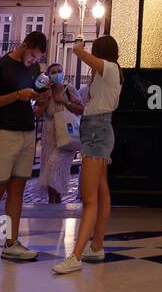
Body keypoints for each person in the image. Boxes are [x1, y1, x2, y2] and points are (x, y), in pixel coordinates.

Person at [0, 31, 49, 267]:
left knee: (17, 190)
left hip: (27, 132)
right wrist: (17, 95)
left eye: (38, 60)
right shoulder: (0, 67)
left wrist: (41, 100)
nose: (34, 62)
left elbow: (35, 99)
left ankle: (10, 242)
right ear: (25, 46)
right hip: (5, 133)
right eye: (33, 57)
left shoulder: (34, 70)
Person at [53, 35, 123, 273]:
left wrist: (79, 47)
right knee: (101, 190)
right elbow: (89, 108)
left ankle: (75, 256)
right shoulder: (108, 75)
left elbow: (80, 53)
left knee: (89, 197)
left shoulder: (110, 68)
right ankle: (96, 245)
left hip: (97, 133)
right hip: (97, 129)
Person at [41, 61, 87, 204]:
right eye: (53, 72)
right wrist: (45, 98)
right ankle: (53, 200)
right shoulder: (44, 92)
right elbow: (37, 113)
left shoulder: (69, 89)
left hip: (67, 132)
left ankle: (57, 199)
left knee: (55, 166)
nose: (56, 74)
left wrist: (65, 101)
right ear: (48, 76)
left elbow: (81, 110)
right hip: (49, 134)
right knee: (48, 168)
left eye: (59, 71)